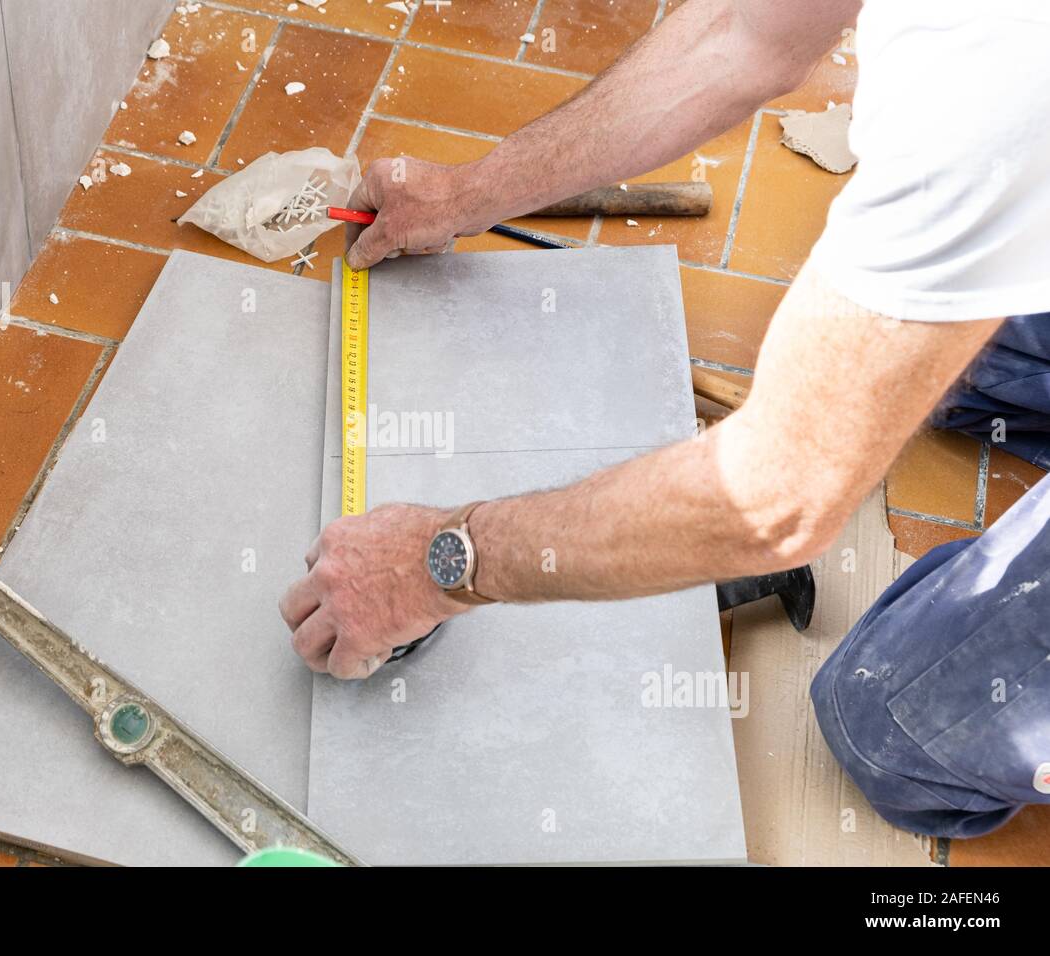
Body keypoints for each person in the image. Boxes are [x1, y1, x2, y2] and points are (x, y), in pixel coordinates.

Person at [278, 0, 1050, 838]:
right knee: (966, 360)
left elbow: (776, 497)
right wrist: (468, 193)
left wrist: (435, 564)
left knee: (893, 725)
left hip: (1012, 130)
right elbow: (743, 35)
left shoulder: (992, 90)